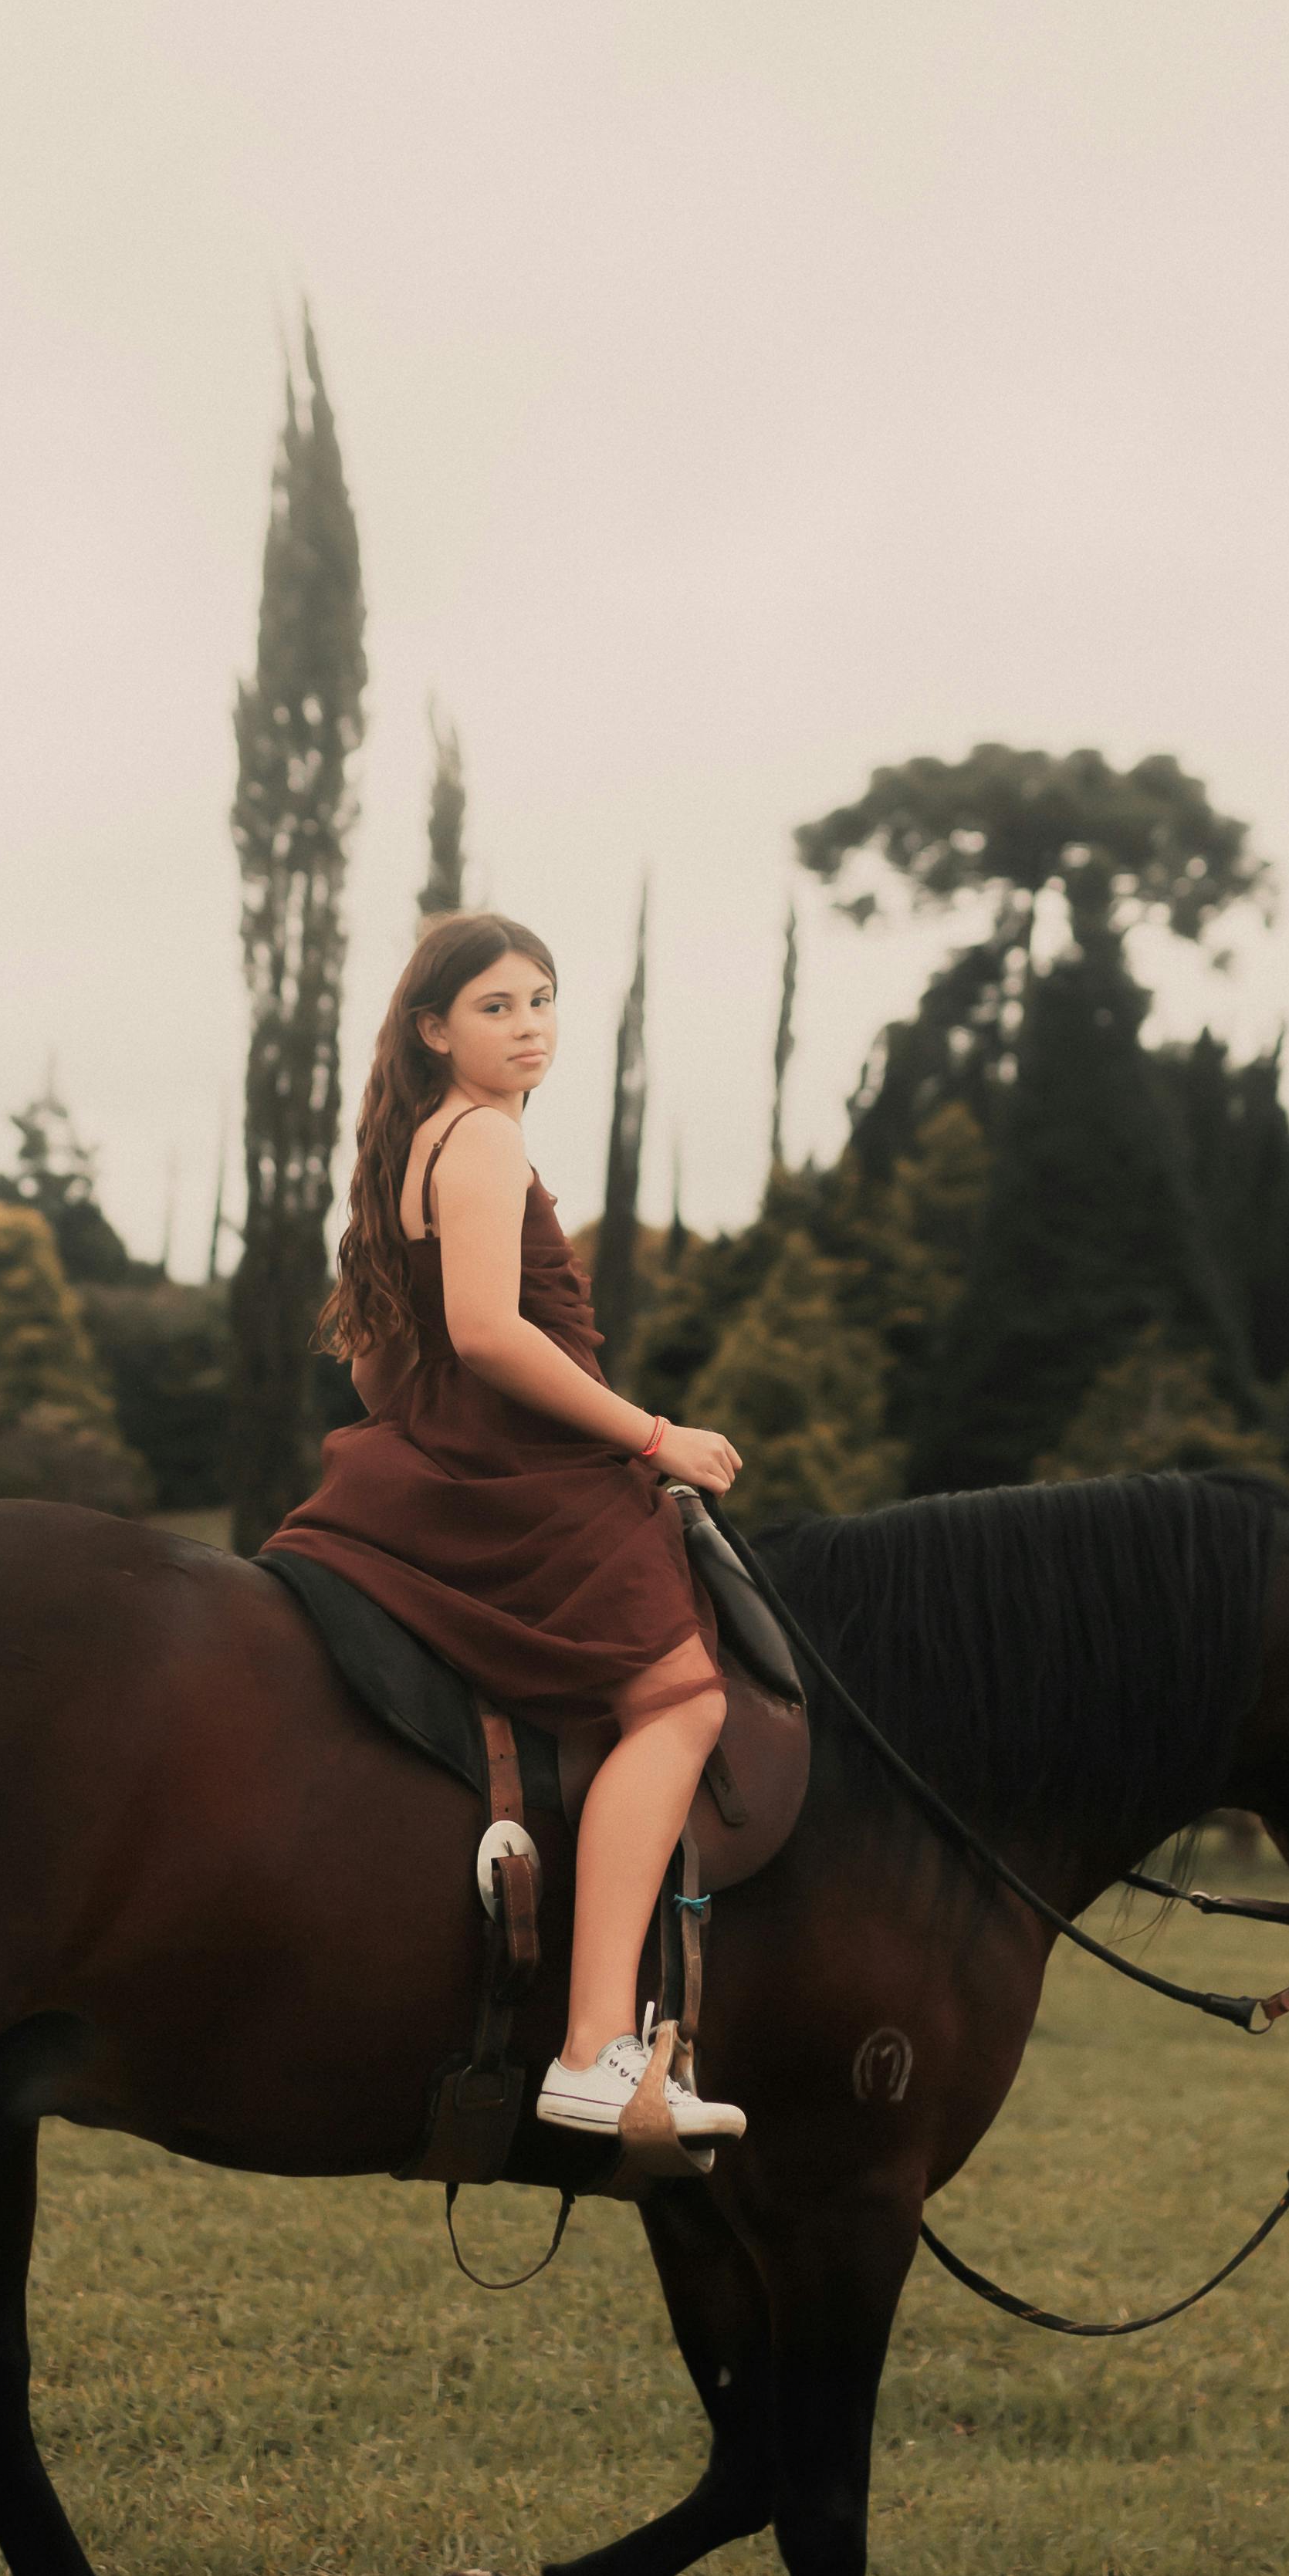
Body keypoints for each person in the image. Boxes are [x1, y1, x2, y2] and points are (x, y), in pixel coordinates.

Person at [267, 910, 747, 2146]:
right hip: (525, 1476)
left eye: (541, 1000)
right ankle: (594, 2047)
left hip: (441, 1461)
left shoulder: (410, 1147)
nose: (528, 1025)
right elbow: (484, 1334)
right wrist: (653, 1437)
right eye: (495, 1006)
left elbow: (381, 1374)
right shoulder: (482, 1140)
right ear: (435, 1029)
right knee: (683, 1699)